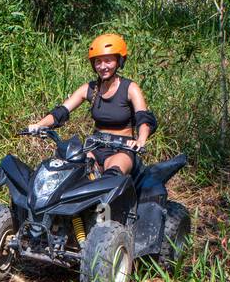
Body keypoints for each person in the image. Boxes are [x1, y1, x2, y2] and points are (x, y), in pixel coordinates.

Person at [26, 32, 158, 177]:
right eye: (98, 62)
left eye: (108, 61)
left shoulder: (130, 88)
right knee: (72, 174)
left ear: (119, 61)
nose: (102, 66)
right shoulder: (89, 88)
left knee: (112, 177)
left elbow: (143, 119)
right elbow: (61, 112)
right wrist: (39, 125)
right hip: (94, 147)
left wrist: (141, 140)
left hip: (122, 149)